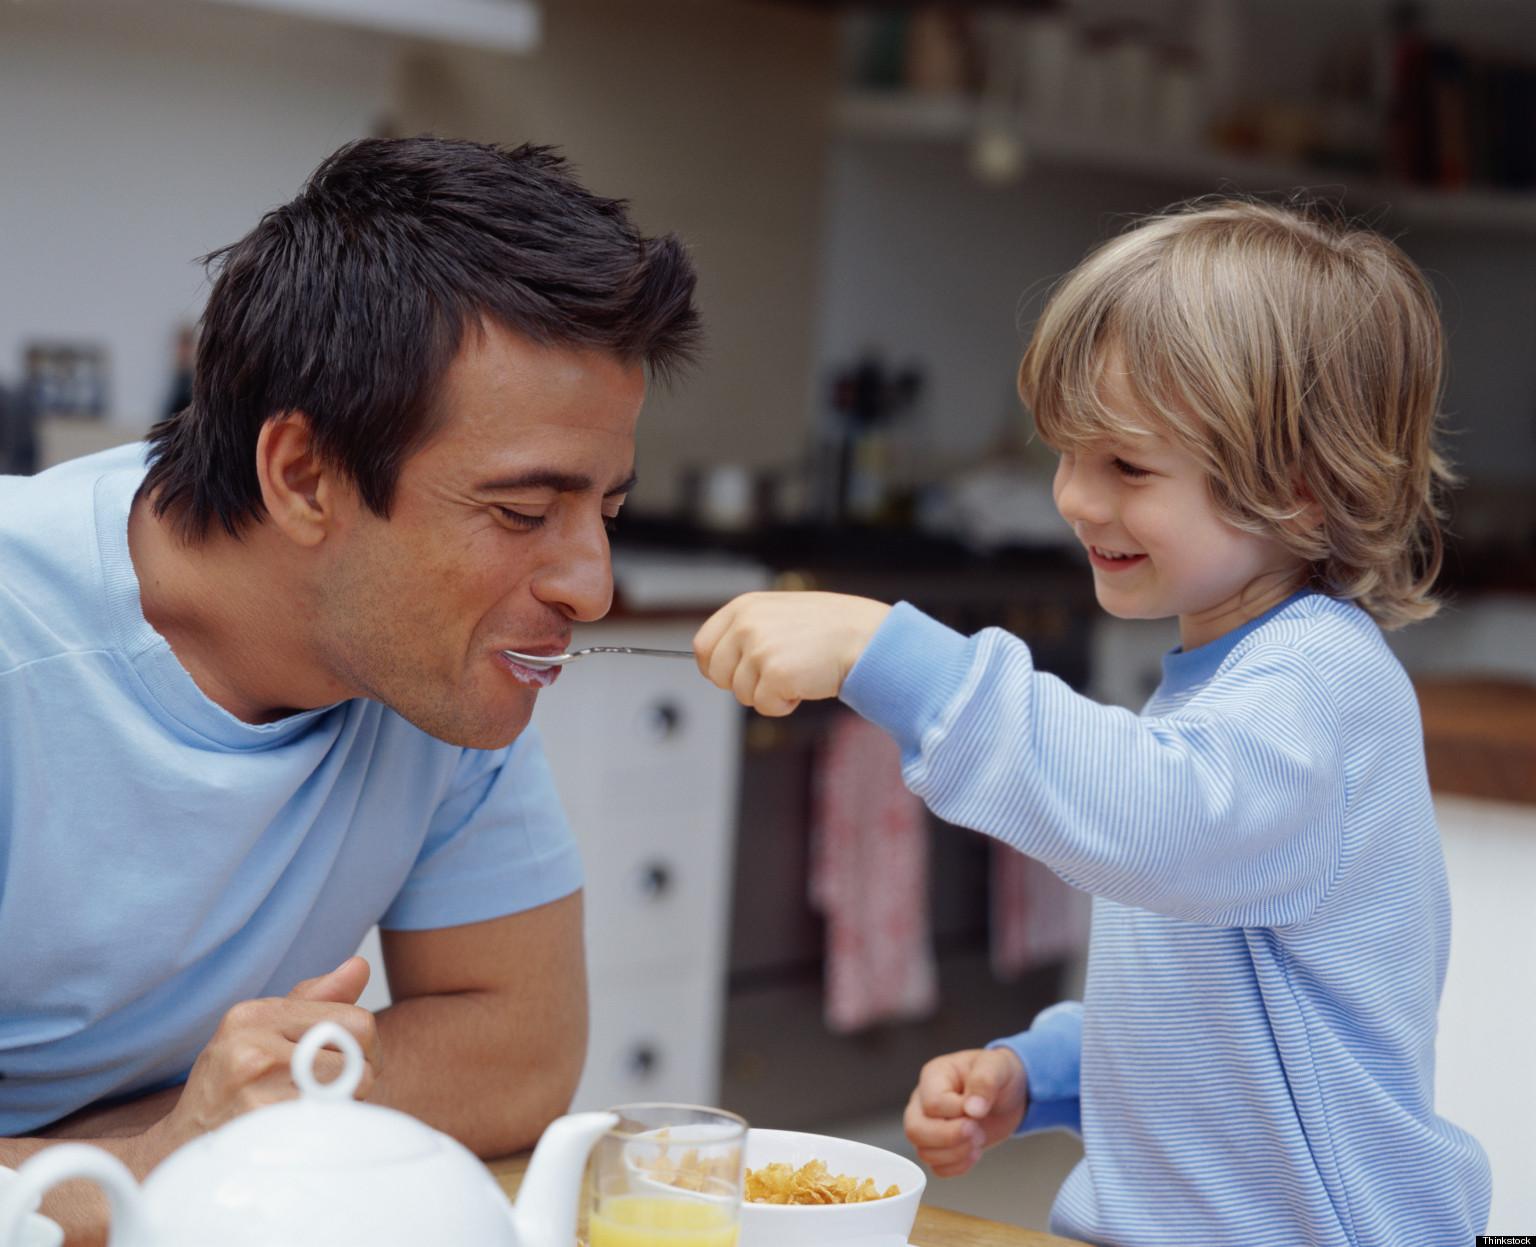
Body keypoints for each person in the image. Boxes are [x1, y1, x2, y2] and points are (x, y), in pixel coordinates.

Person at [694, 200, 1490, 1245]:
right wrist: (1049, 1069)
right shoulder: (1230, 678)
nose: (1073, 496)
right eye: (1066, 453)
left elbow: (1149, 815)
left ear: (1297, 493)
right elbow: (1211, 991)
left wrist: (879, 650)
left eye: (1127, 466)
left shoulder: (1319, 685)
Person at [0, 135, 698, 1242]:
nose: (591, 587)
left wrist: (227, 1127)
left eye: (604, 509)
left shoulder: (441, 663)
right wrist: (154, 1158)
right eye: (523, 512)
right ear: (302, 474)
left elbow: (522, 1049)